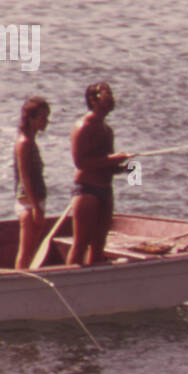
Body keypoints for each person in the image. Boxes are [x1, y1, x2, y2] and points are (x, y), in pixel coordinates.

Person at [68, 82, 133, 266]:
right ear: (93, 100)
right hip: (87, 191)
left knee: (99, 244)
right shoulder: (83, 126)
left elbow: (106, 165)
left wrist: (123, 168)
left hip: (105, 190)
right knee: (81, 243)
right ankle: (69, 282)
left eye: (111, 94)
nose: (111, 99)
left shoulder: (107, 130)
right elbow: (80, 162)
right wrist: (112, 160)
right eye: (106, 95)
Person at [13, 96, 50, 268]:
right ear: (30, 118)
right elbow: (25, 177)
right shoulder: (24, 143)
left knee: (30, 252)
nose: (46, 121)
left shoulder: (30, 140)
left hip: (33, 202)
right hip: (28, 203)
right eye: (42, 117)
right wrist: (35, 207)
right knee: (26, 253)